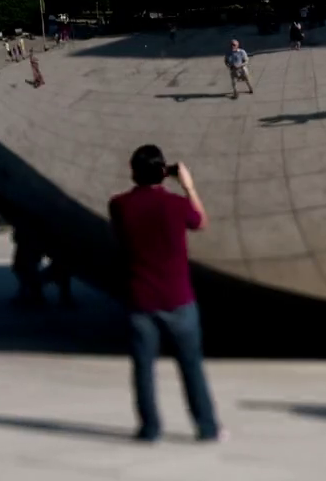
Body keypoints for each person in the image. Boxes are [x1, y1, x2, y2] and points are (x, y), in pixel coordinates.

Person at [109, 145, 222, 443]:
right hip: (177, 298)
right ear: (163, 172)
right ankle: (206, 427)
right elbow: (200, 221)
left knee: (143, 369)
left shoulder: (119, 205)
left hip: (140, 299)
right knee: (191, 366)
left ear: (133, 172)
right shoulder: (175, 204)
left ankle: (150, 429)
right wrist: (188, 186)